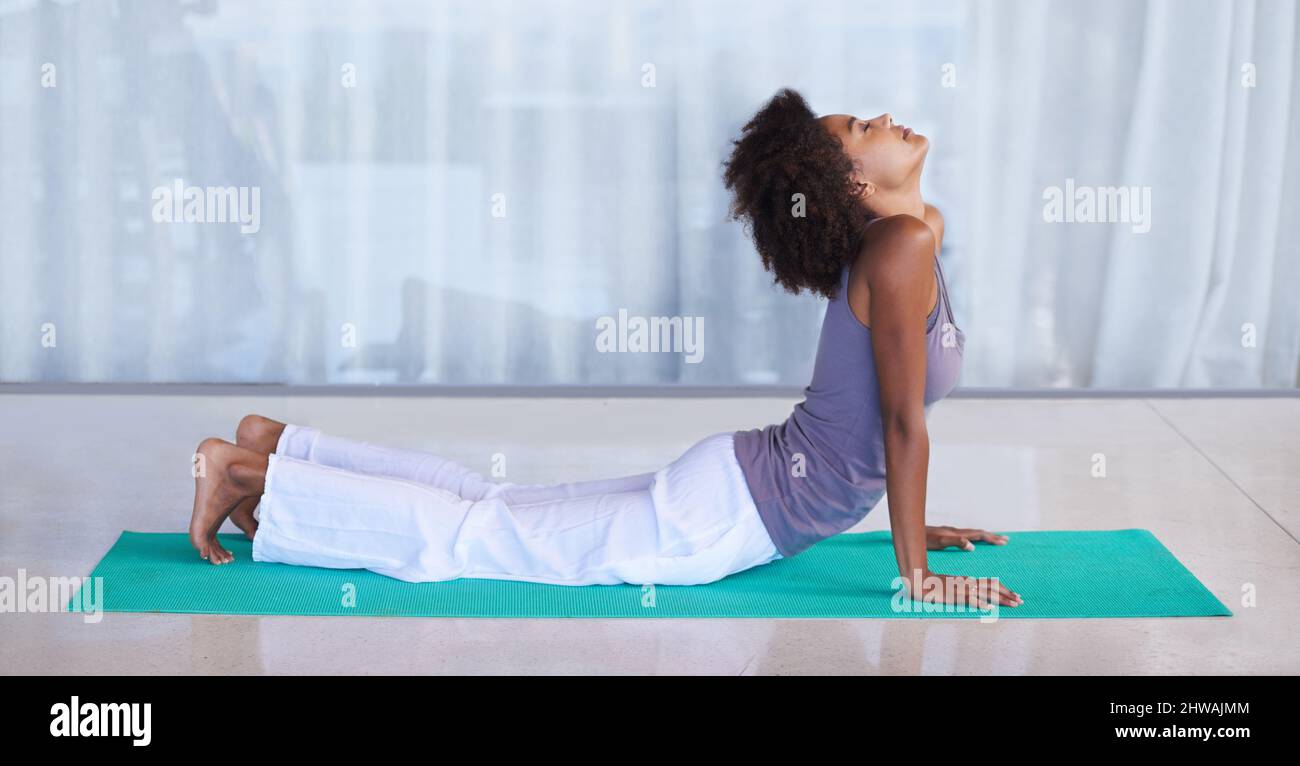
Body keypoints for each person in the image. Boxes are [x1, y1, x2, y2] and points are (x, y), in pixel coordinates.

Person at [187, 87, 1021, 608]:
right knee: (474, 540)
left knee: (491, 508)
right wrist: (916, 576)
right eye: (860, 127)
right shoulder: (905, 244)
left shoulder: (916, 233)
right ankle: (249, 472)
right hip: (723, 513)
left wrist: (906, 524)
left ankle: (281, 446)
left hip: (738, 488)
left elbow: (874, 425)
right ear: (849, 184)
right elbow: (902, 427)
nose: (882, 116)